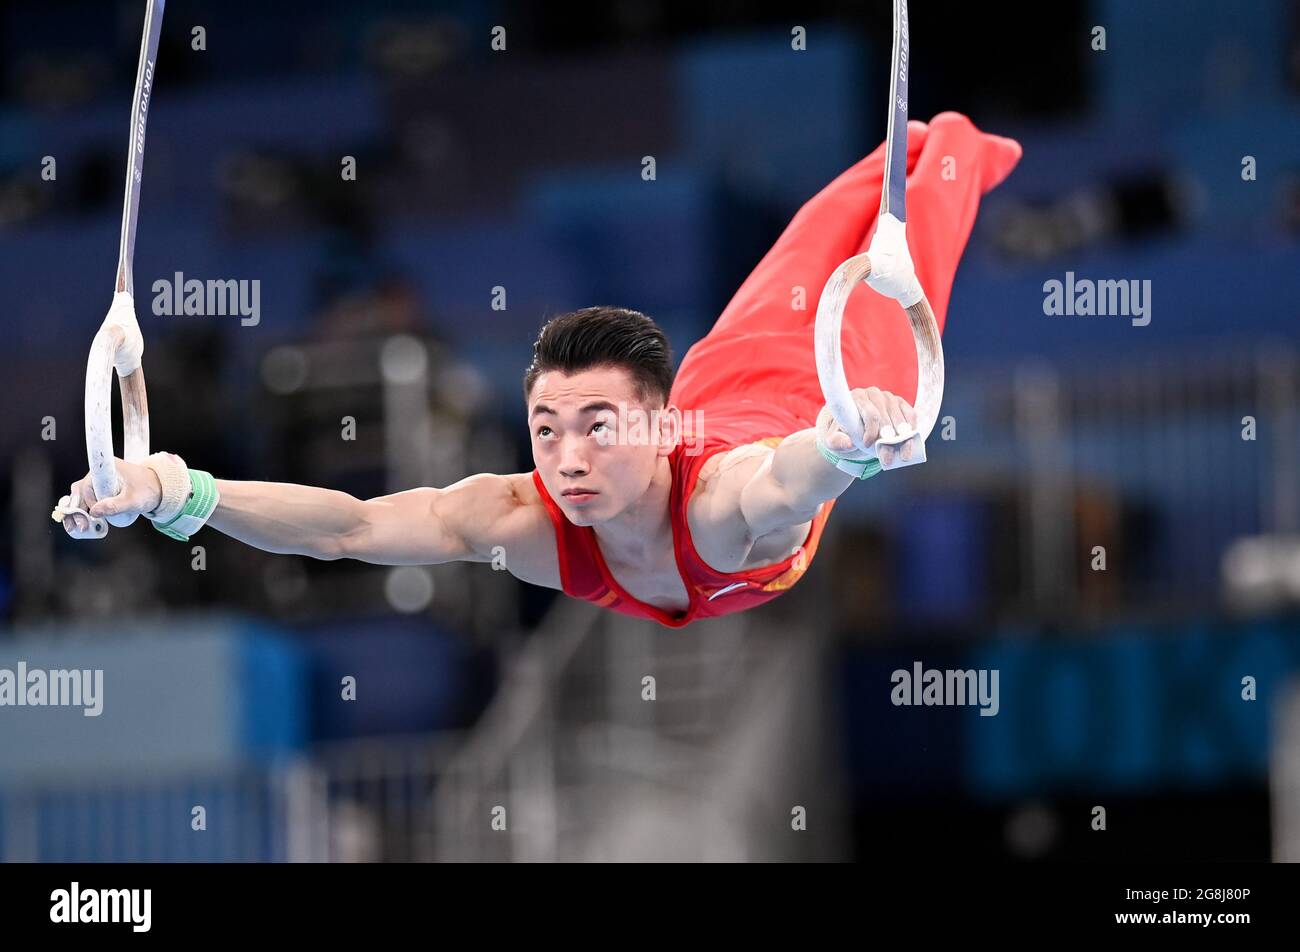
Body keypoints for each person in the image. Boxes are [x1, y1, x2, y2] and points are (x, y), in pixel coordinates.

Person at [60, 112, 1021, 628]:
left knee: (906, 210)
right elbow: (349, 529)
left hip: (815, 391)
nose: (564, 458)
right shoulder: (523, 520)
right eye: (547, 429)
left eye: (595, 427)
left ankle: (957, 146)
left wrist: (849, 443)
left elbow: (782, 477)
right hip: (735, 376)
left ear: (651, 424)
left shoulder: (714, 505)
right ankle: (946, 148)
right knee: (850, 209)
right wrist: (174, 487)